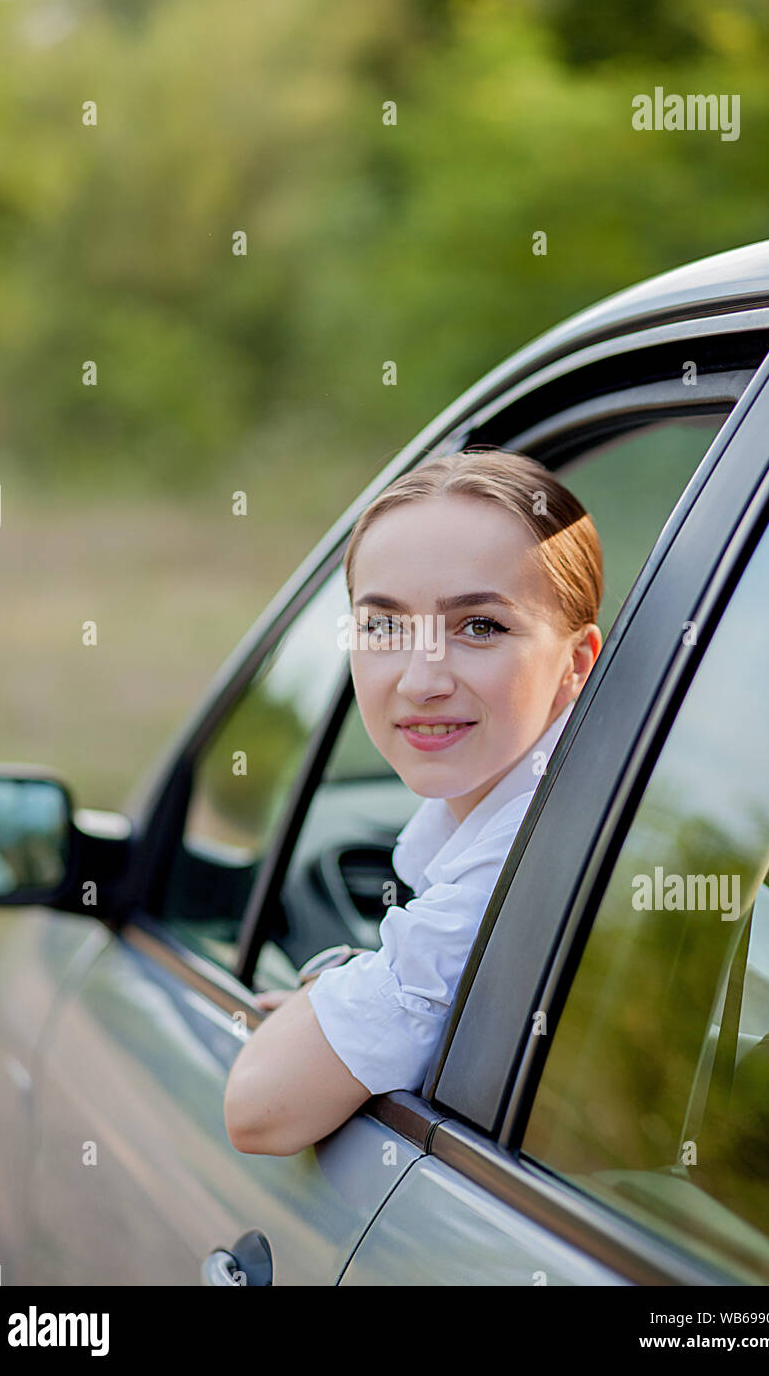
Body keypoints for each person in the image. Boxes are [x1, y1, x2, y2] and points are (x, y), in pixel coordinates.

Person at [224, 447, 603, 1155]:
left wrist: (325, 998)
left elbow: (258, 1111)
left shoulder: (517, 873)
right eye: (384, 626)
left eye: (480, 627)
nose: (422, 679)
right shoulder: (558, 818)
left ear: (576, 663)